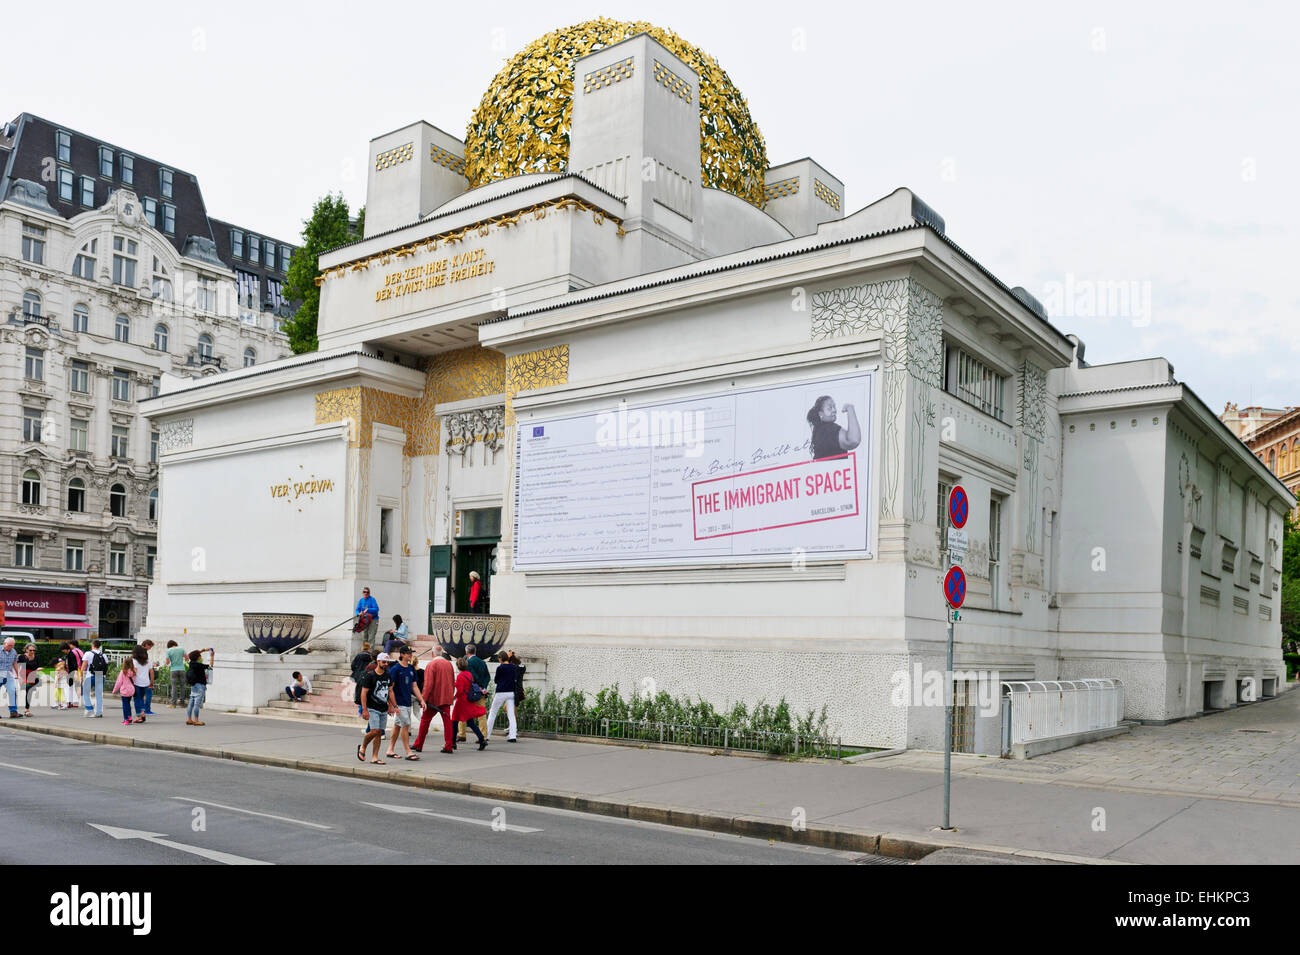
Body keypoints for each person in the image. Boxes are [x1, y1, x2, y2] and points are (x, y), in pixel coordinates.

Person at [384, 648, 425, 760]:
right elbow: (390, 688)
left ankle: (390, 749)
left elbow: (414, 686)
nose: (410, 655)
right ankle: (408, 751)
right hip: (399, 702)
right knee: (406, 724)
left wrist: (421, 699)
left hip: (407, 702)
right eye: (408, 653)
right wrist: (391, 705)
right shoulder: (396, 669)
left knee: (397, 725)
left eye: (411, 653)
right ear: (402, 654)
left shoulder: (411, 668)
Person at [413, 649, 455, 754]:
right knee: (447, 722)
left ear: (432, 654)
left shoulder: (431, 664)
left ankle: (419, 744)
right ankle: (449, 745)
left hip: (433, 699)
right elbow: (452, 681)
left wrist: (423, 699)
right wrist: (450, 695)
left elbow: (428, 685)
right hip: (445, 697)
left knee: (425, 721)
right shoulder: (449, 664)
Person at [358, 652, 394, 764]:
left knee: (379, 733)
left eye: (387, 662)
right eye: (384, 661)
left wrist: (392, 706)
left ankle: (375, 757)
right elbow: (363, 693)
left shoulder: (388, 675)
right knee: (375, 730)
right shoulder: (370, 675)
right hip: (372, 708)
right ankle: (363, 746)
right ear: (378, 661)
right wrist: (364, 709)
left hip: (383, 708)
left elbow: (390, 691)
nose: (386, 664)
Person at [806, 396, 861, 461]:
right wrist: (850, 408)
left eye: (834, 406)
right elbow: (853, 440)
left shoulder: (819, 430)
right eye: (830, 408)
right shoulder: (829, 429)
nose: (834, 410)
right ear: (821, 414)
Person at [451, 656, 488, 751]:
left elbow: (459, 691)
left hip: (461, 702)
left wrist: (453, 698)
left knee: (454, 721)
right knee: (471, 722)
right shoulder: (469, 674)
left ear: (457, 666)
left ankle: (452, 743)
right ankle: (481, 739)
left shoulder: (460, 676)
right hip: (468, 700)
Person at [459, 645, 491, 742]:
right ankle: (483, 736)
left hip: (471, 692)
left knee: (462, 712)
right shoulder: (482, 662)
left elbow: (472, 676)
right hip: (481, 692)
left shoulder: (468, 662)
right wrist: (483, 687)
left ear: (466, 652)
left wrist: (478, 685)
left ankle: (462, 734)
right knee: (481, 714)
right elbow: (488, 676)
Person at [484, 651, 518, 742]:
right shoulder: (514, 667)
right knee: (511, 715)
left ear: (500, 658)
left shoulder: (500, 668)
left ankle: (486, 736)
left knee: (493, 713)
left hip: (501, 692)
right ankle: (513, 736)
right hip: (511, 692)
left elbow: (496, 680)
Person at [185, 649, 214, 726]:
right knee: (197, 704)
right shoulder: (199, 665)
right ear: (198, 657)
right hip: (200, 685)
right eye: (200, 655)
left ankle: (189, 719)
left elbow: (191, 655)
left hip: (193, 685)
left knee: (191, 703)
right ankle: (196, 720)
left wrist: (203, 650)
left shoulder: (191, 663)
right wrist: (212, 656)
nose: (201, 656)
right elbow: (210, 666)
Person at [81, 639, 108, 718]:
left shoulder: (88, 653)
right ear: (99, 646)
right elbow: (106, 666)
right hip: (101, 675)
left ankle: (89, 709)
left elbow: (84, 666)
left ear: (92, 645)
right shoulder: (104, 655)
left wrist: (81, 676)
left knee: (85, 692)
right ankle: (99, 712)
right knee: (99, 695)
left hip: (91, 675)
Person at [129, 645, 152, 723]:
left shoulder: (134, 660)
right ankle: (142, 713)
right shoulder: (147, 660)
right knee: (141, 698)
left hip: (137, 682)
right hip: (145, 682)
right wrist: (151, 682)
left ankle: (140, 716)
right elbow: (151, 671)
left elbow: (134, 672)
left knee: (136, 699)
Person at [114, 657, 137, 726]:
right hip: (131, 690)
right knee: (128, 704)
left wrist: (114, 691)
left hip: (125, 690)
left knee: (125, 705)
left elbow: (119, 682)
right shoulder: (133, 672)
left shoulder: (123, 672)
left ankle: (126, 719)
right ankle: (129, 717)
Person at [0, 637, 20, 718]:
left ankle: (13, 712)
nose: (11, 647)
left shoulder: (13, 651)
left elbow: (15, 662)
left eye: (13, 646)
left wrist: (18, 673)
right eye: (10, 645)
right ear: (4, 643)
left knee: (12, 691)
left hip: (8, 674)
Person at [164, 640, 187, 708]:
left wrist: (169, 661)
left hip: (173, 670)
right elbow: (187, 658)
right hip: (182, 669)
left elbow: (167, 662)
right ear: (175, 644)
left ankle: (173, 704)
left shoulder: (168, 651)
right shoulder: (182, 649)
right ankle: (182, 704)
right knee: (182, 686)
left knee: (174, 687)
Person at [21, 643, 40, 717]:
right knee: (28, 691)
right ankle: (26, 709)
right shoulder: (22, 657)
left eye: (34, 650)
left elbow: (37, 666)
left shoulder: (36, 657)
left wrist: (38, 669)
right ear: (26, 649)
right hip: (24, 676)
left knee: (29, 691)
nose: (32, 651)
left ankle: (26, 709)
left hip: (33, 676)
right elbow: (19, 667)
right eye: (30, 650)